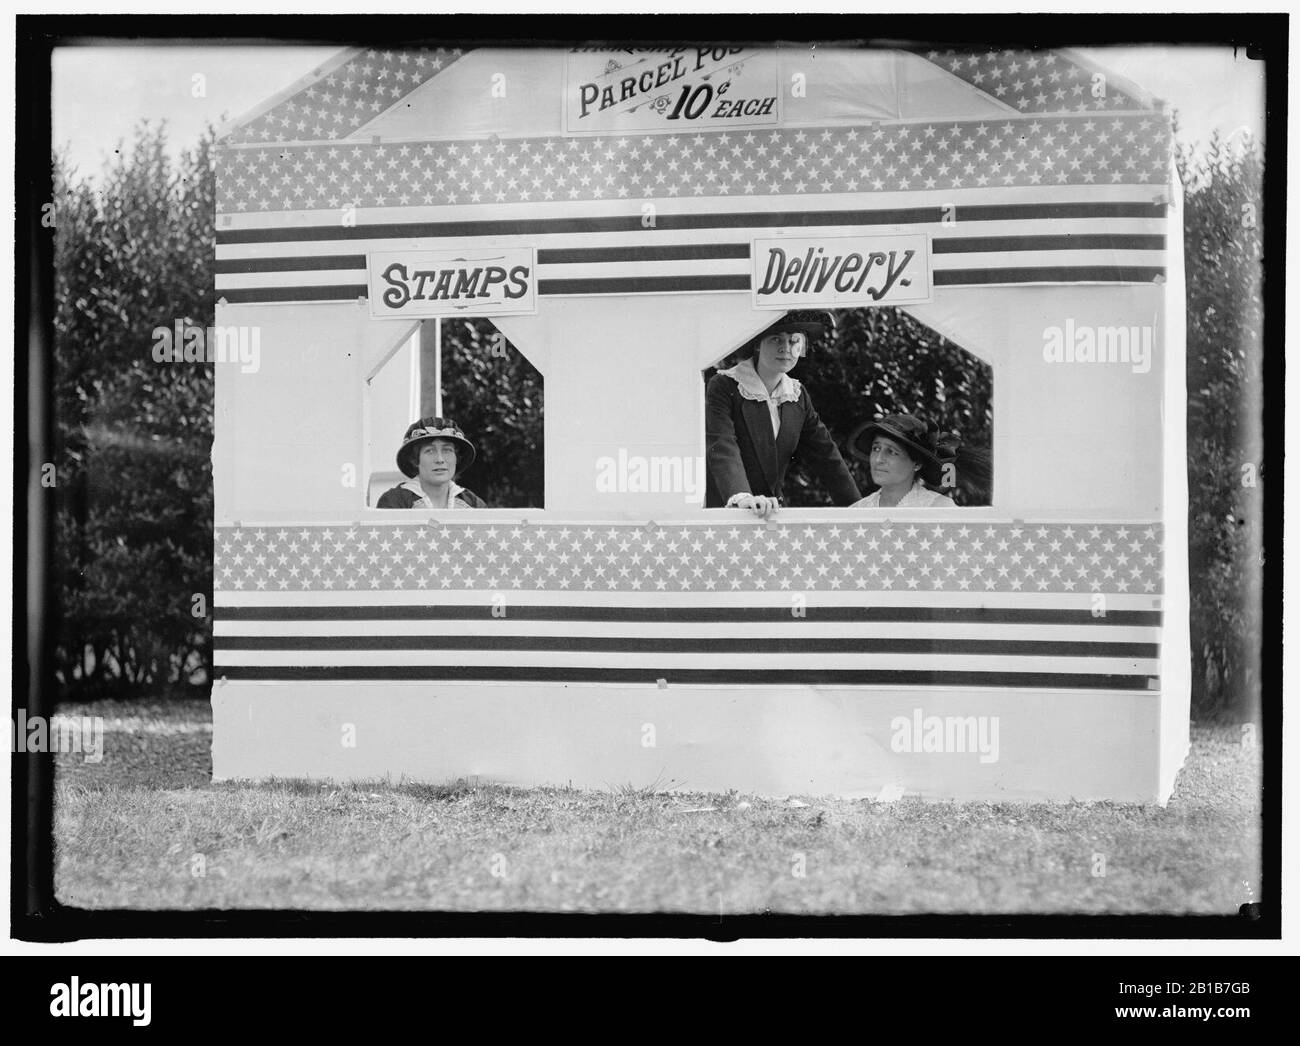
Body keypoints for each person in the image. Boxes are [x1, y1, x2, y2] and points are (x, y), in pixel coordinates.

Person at [705, 310, 860, 518]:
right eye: (776, 339)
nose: (786, 349)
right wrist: (742, 498)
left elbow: (826, 456)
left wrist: (860, 510)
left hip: (772, 514)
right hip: (729, 513)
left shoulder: (796, 395)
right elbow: (723, 446)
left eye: (794, 341)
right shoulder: (725, 386)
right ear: (758, 343)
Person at [849, 413, 987, 508]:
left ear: (917, 464)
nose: (879, 459)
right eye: (876, 449)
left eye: (892, 452)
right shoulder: (858, 511)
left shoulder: (939, 509)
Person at [376, 417, 487, 509]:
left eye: (447, 450)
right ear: (414, 459)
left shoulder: (474, 504)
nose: (440, 459)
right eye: (430, 451)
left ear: (457, 458)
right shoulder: (394, 502)